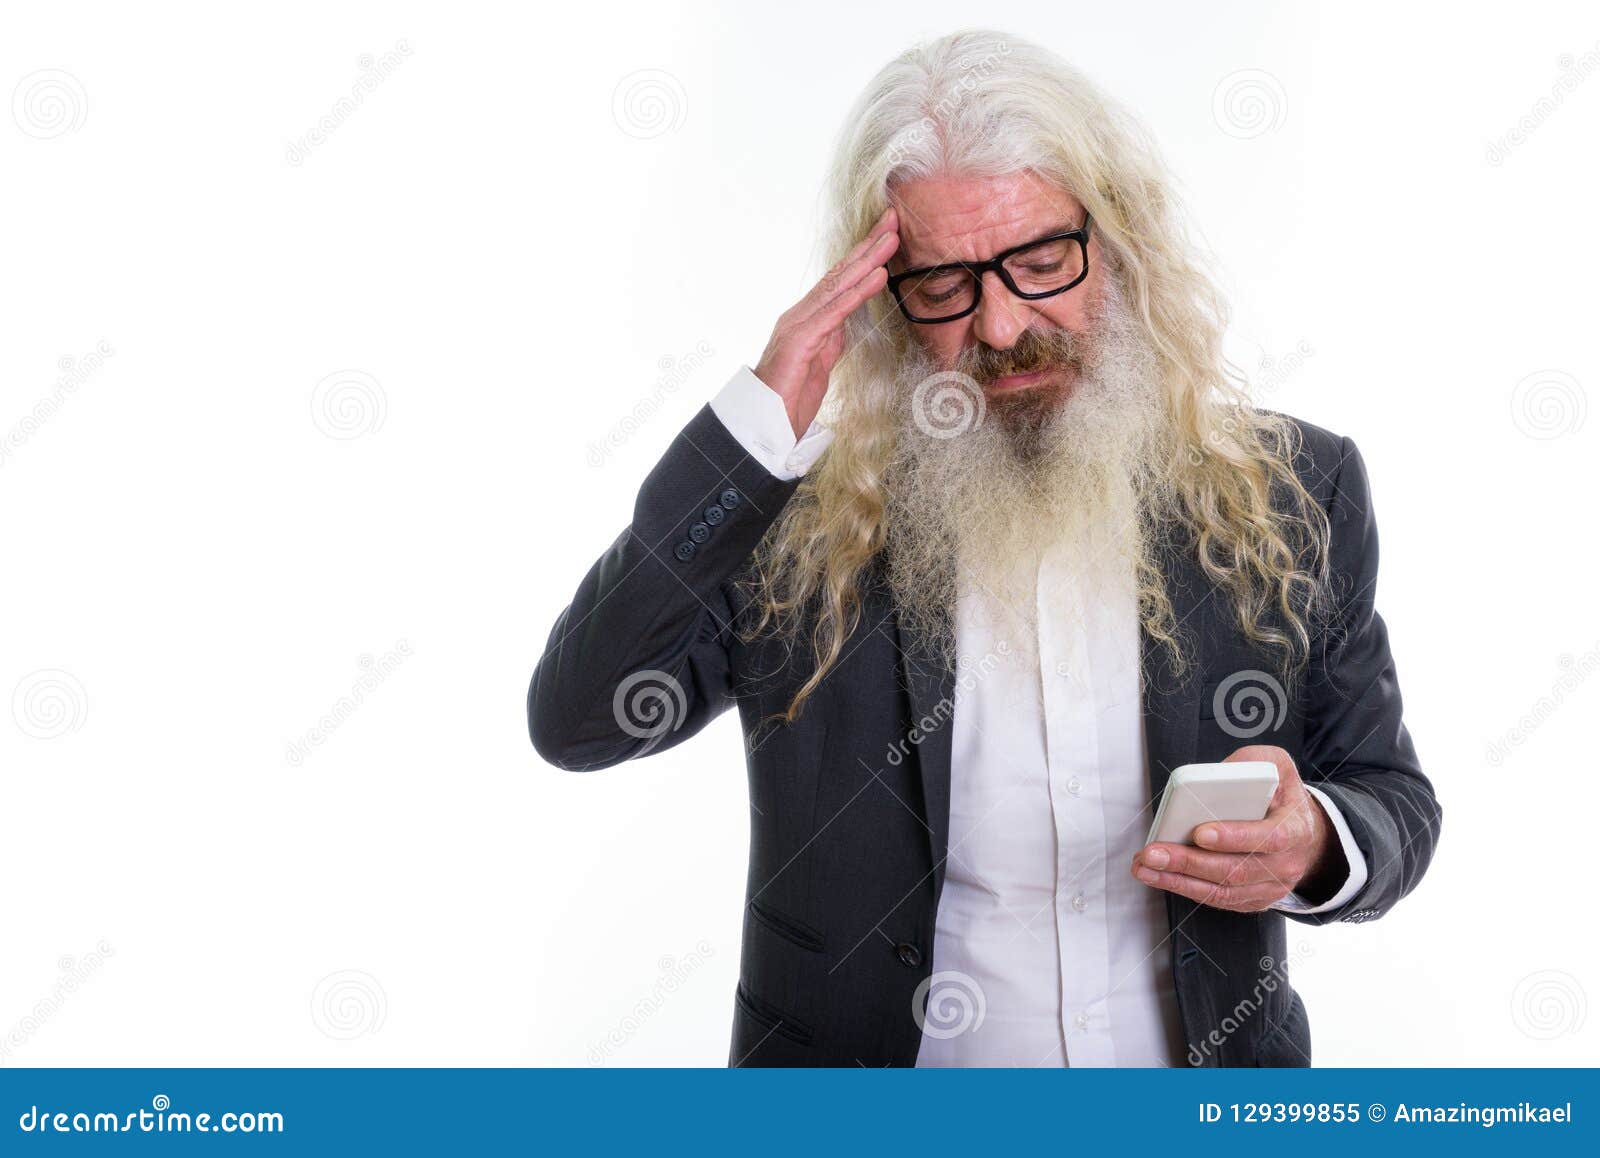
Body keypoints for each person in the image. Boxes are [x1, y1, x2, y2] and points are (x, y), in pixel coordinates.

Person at [528, 29, 1441, 1067]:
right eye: (941, 286)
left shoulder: (1292, 491)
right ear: (879, 297)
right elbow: (580, 722)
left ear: (1121, 240)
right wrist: (750, 433)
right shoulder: (790, 513)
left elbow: (1390, 797)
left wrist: (1318, 840)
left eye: (1041, 262)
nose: (1001, 326)